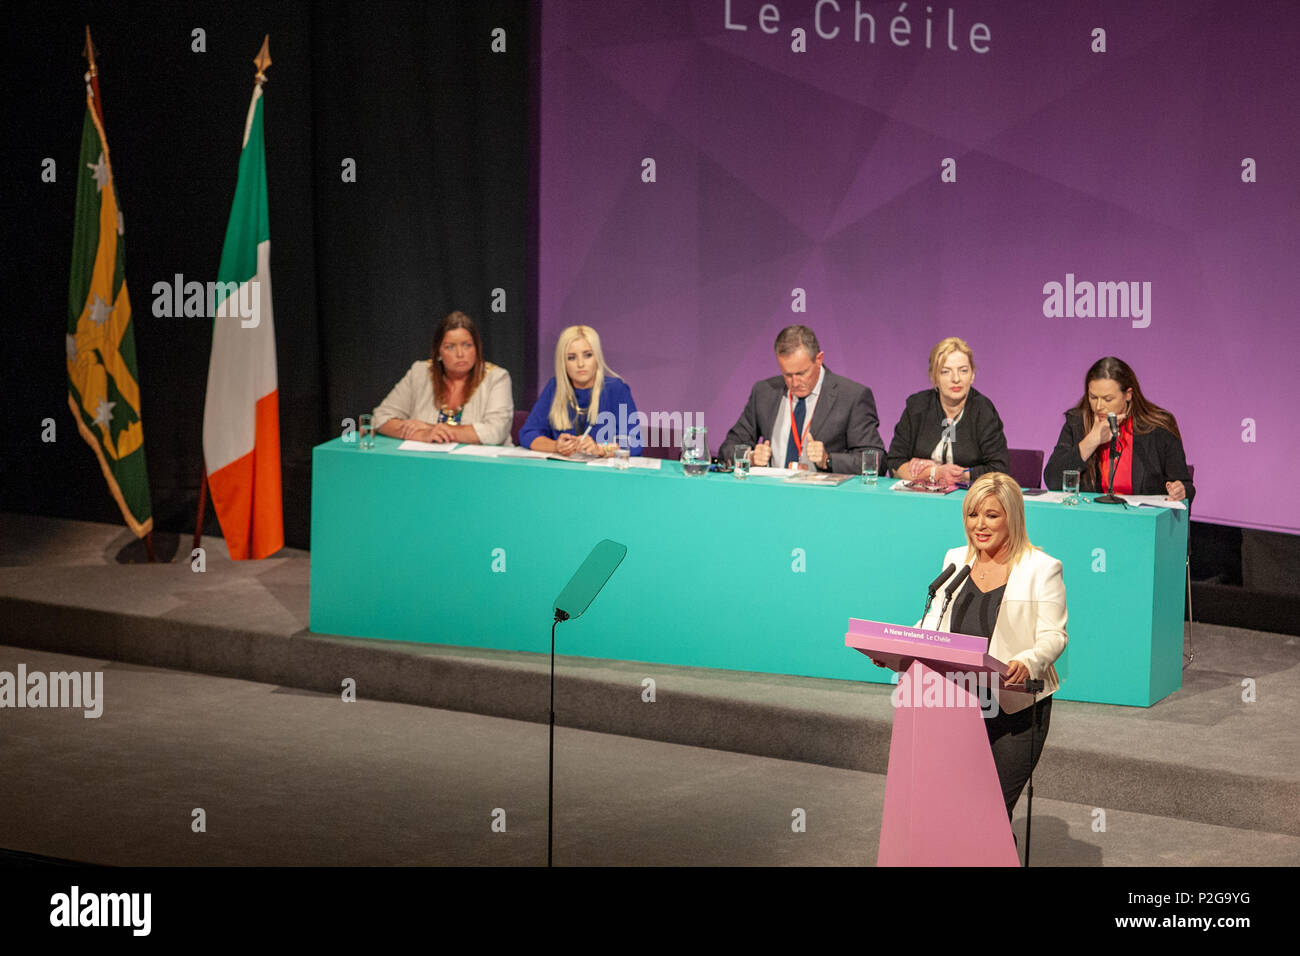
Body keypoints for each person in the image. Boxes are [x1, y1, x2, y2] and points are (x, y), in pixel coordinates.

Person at [920, 472, 1068, 822]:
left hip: (1015, 711)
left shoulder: (1040, 568)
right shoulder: (956, 559)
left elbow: (1054, 636)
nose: (979, 525)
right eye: (973, 515)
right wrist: (896, 649)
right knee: (959, 815)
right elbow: (933, 623)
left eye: (991, 515)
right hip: (959, 705)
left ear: (1012, 518)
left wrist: (1029, 660)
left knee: (991, 817)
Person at [718, 325, 884, 474]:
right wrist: (750, 456)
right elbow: (728, 448)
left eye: (801, 373)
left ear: (819, 360)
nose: (795, 383)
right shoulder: (764, 392)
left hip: (824, 500)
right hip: (772, 496)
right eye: (787, 375)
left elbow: (876, 461)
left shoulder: (851, 396)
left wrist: (828, 460)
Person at [1044, 357, 1193, 502]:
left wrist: (1180, 490)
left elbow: (1186, 486)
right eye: (1093, 397)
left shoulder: (1159, 427)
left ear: (1128, 394)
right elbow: (1053, 481)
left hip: (1140, 521)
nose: (1099, 406)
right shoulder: (1077, 422)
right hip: (1090, 519)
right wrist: (1091, 441)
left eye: (1108, 399)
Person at [373, 311, 514, 445]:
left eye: (467, 345)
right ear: (438, 352)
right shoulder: (420, 373)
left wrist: (430, 428)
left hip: (482, 466)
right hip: (426, 462)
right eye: (450, 347)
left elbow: (496, 431)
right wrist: (421, 435)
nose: (460, 354)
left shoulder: (497, 377)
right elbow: (379, 418)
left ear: (477, 349)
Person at [886, 336, 1010, 484]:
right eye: (946, 371)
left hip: (967, 499)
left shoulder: (983, 411)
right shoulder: (917, 406)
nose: (956, 379)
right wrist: (933, 473)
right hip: (920, 497)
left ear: (972, 375)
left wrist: (961, 474)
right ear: (934, 378)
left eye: (963, 371)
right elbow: (894, 462)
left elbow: (999, 469)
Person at [519, 325, 643, 457]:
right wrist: (556, 446)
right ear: (563, 362)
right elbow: (527, 434)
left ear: (597, 358)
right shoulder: (555, 387)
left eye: (587, 355)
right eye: (571, 357)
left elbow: (634, 444)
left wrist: (600, 449)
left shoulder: (616, 389)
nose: (580, 364)